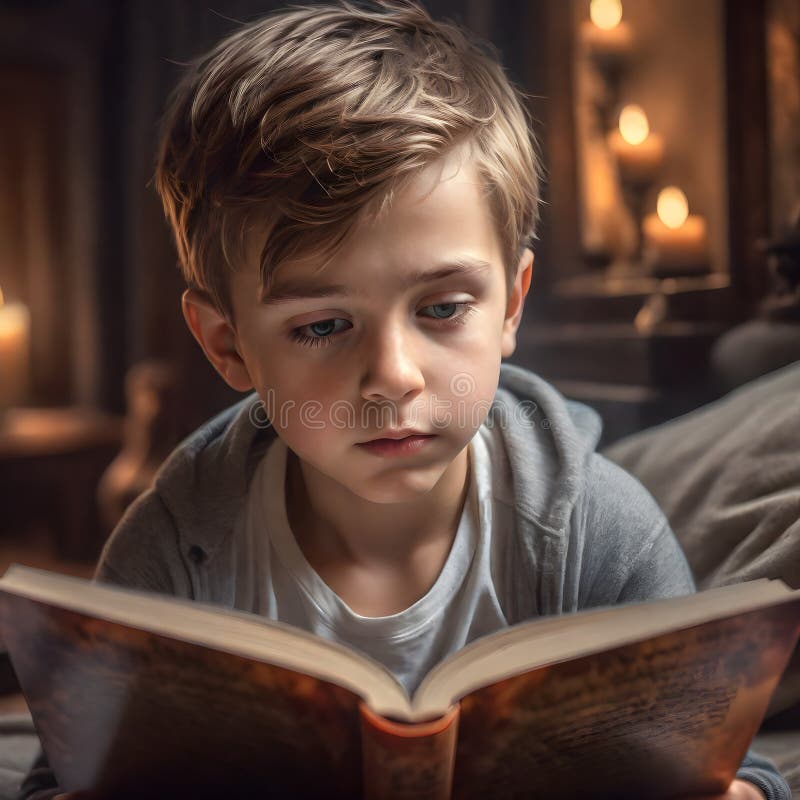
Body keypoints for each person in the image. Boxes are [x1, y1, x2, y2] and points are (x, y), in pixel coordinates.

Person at [19, 1, 789, 798]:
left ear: (512, 306)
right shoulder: (174, 551)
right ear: (227, 344)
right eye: (322, 326)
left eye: (443, 309)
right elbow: (61, 780)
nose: (393, 375)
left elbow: (736, 768)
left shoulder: (598, 533)